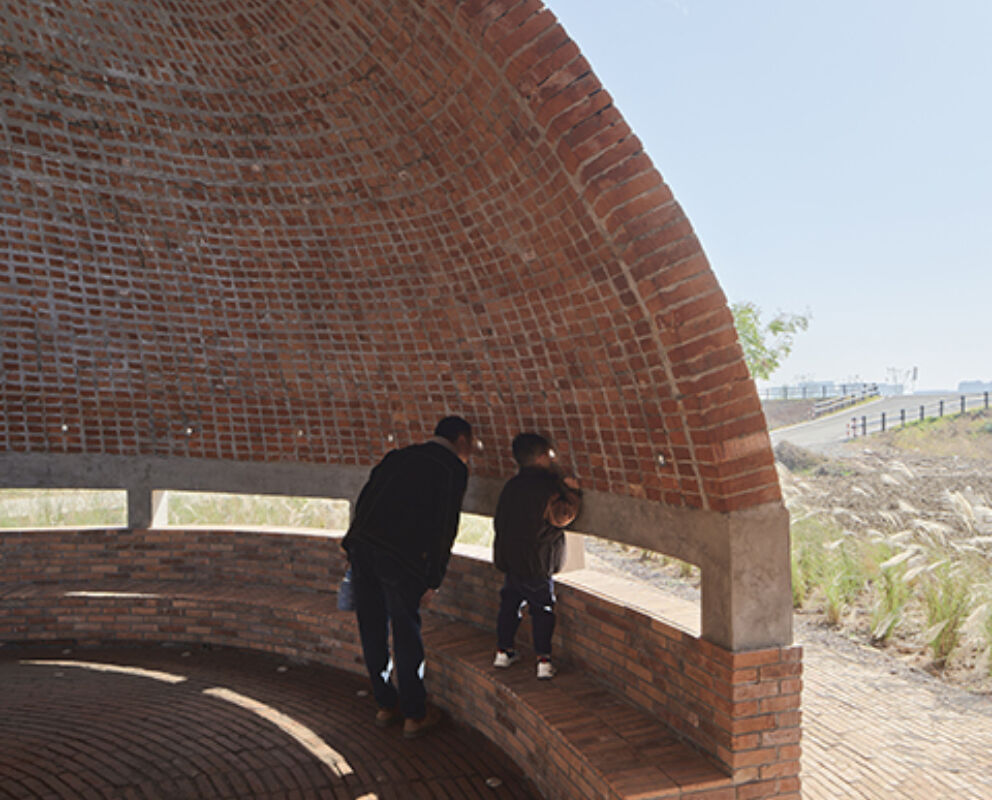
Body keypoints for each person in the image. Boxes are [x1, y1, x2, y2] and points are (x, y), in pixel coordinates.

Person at [342, 416, 473, 738]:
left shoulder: (397, 456)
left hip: (363, 549)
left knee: (372, 628)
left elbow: (366, 499)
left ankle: (385, 705)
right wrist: (433, 579)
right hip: (401, 561)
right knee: (405, 633)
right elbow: (445, 527)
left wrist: (352, 544)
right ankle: (414, 715)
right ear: (461, 440)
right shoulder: (452, 469)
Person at [492, 433, 581, 680]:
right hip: (537, 562)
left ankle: (503, 651)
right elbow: (562, 515)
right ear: (541, 457)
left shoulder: (511, 486)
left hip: (511, 560)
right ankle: (543, 661)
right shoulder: (547, 488)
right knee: (542, 610)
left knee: (509, 606)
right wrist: (573, 493)